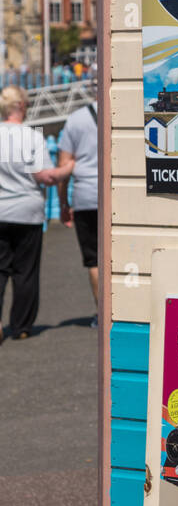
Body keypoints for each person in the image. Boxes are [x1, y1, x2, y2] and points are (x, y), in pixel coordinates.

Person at [0, 87, 63, 342]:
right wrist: (67, 169)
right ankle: (21, 326)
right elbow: (44, 176)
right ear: (22, 106)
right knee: (25, 271)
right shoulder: (32, 136)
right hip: (28, 211)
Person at [55, 97, 99, 324]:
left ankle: (103, 315)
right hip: (118, 194)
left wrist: (63, 204)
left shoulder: (75, 119)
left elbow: (63, 166)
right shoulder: (124, 109)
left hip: (86, 197)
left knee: (94, 261)